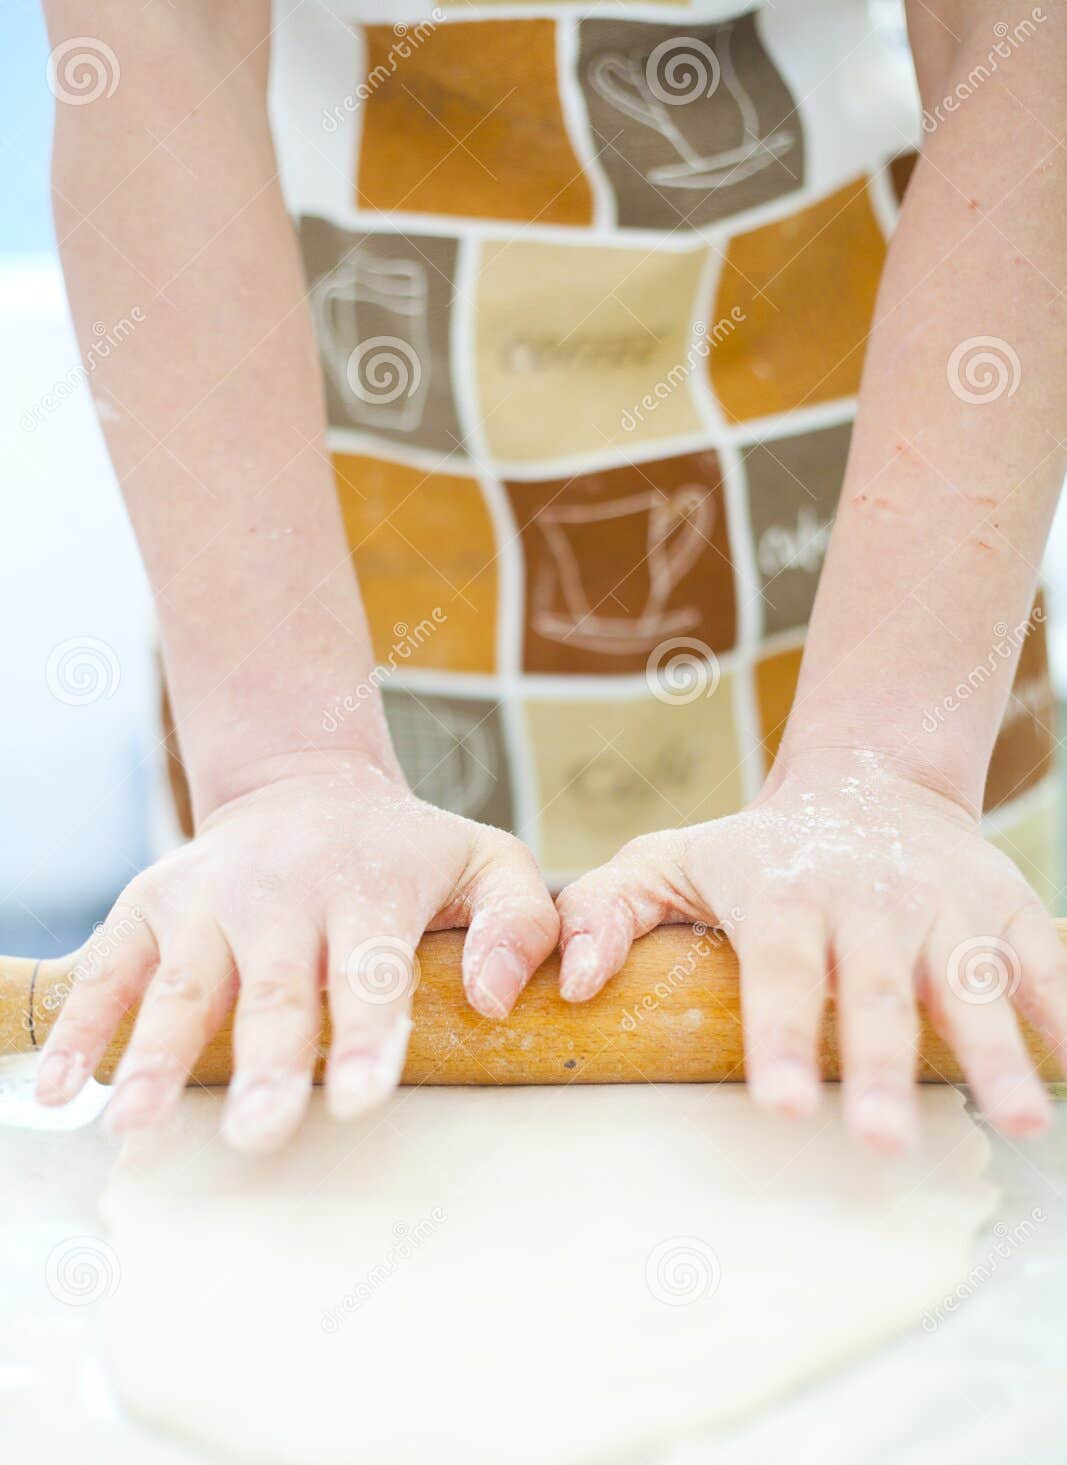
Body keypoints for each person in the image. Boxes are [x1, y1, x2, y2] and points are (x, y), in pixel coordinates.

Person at [36, 0, 1067, 1153]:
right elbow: (165, 35)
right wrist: (286, 766)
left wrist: (889, 771)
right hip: (302, 504)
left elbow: (1015, 35)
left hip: (877, 501)